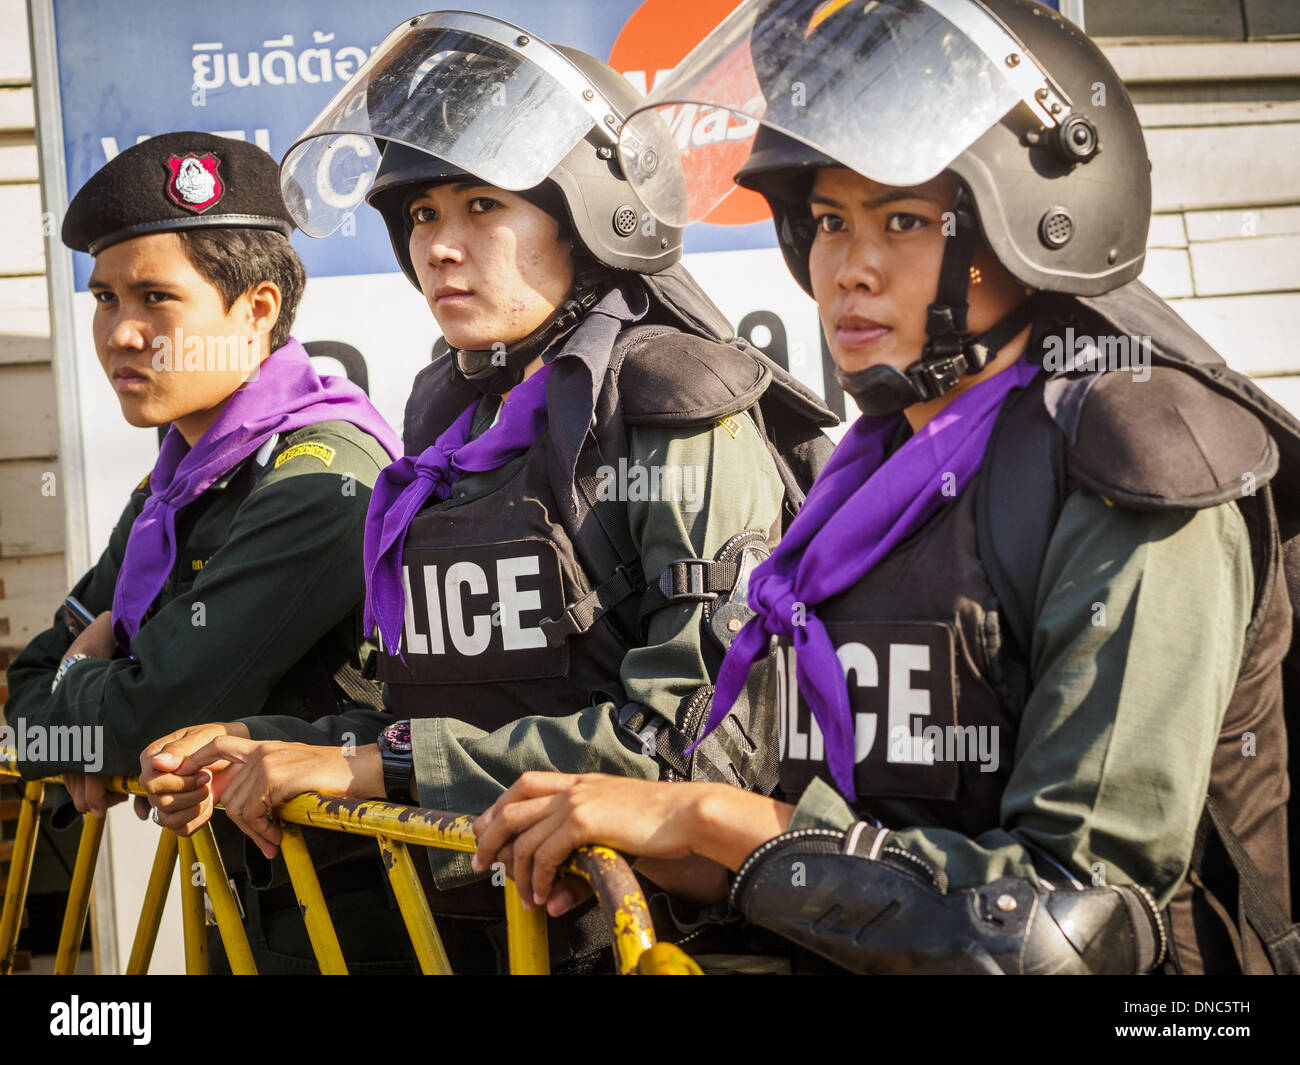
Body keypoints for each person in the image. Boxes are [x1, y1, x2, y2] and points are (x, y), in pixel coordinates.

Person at [472, 0, 1300, 975]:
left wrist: (710, 819)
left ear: (1028, 228)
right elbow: (844, 830)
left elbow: (1067, 928)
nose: (849, 270)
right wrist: (658, 843)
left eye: (903, 219)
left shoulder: (1138, 459)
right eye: (828, 221)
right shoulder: (870, 470)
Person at [140, 14, 833, 974]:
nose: (440, 247)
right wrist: (263, 746)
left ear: (588, 212)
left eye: (481, 206)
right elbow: (457, 697)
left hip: (653, 945)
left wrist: (379, 764)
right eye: (422, 214)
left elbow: (701, 747)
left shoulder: (674, 407)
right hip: (483, 934)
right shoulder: (453, 425)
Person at [3, 132, 411, 972]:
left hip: (357, 928)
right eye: (106, 299)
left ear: (257, 309)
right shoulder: (177, 486)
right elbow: (22, 705)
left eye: (156, 298)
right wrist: (86, 727)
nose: (120, 333)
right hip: (245, 914)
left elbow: (150, 714)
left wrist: (81, 690)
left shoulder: (322, 479)